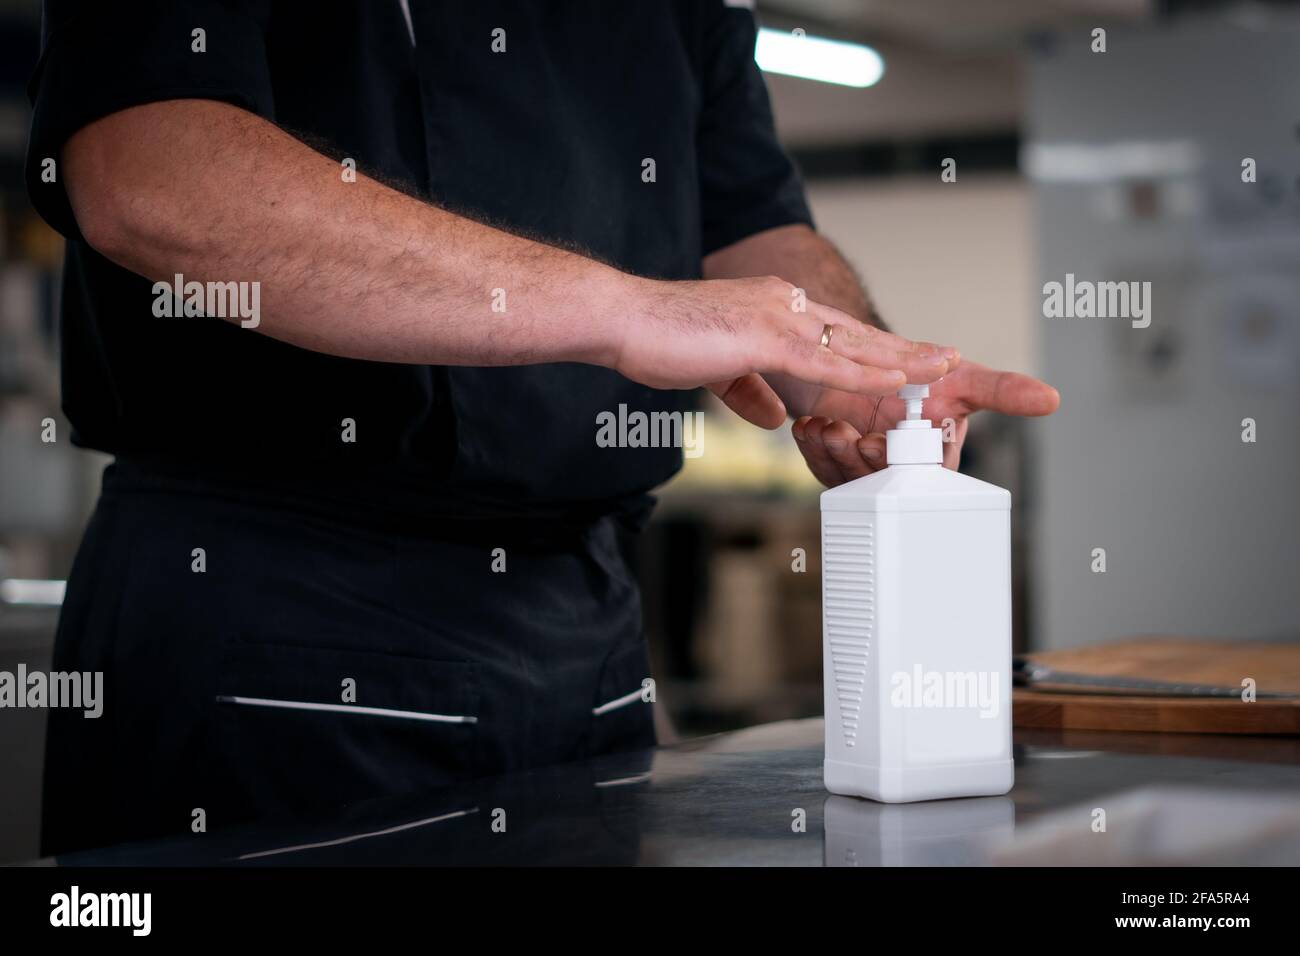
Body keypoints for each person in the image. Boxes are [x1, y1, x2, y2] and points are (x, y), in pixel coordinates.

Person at [25, 0, 1058, 854]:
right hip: (270, 609)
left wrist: (858, 369)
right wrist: (625, 310)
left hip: (586, 614)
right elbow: (154, 175)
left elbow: (749, 220)